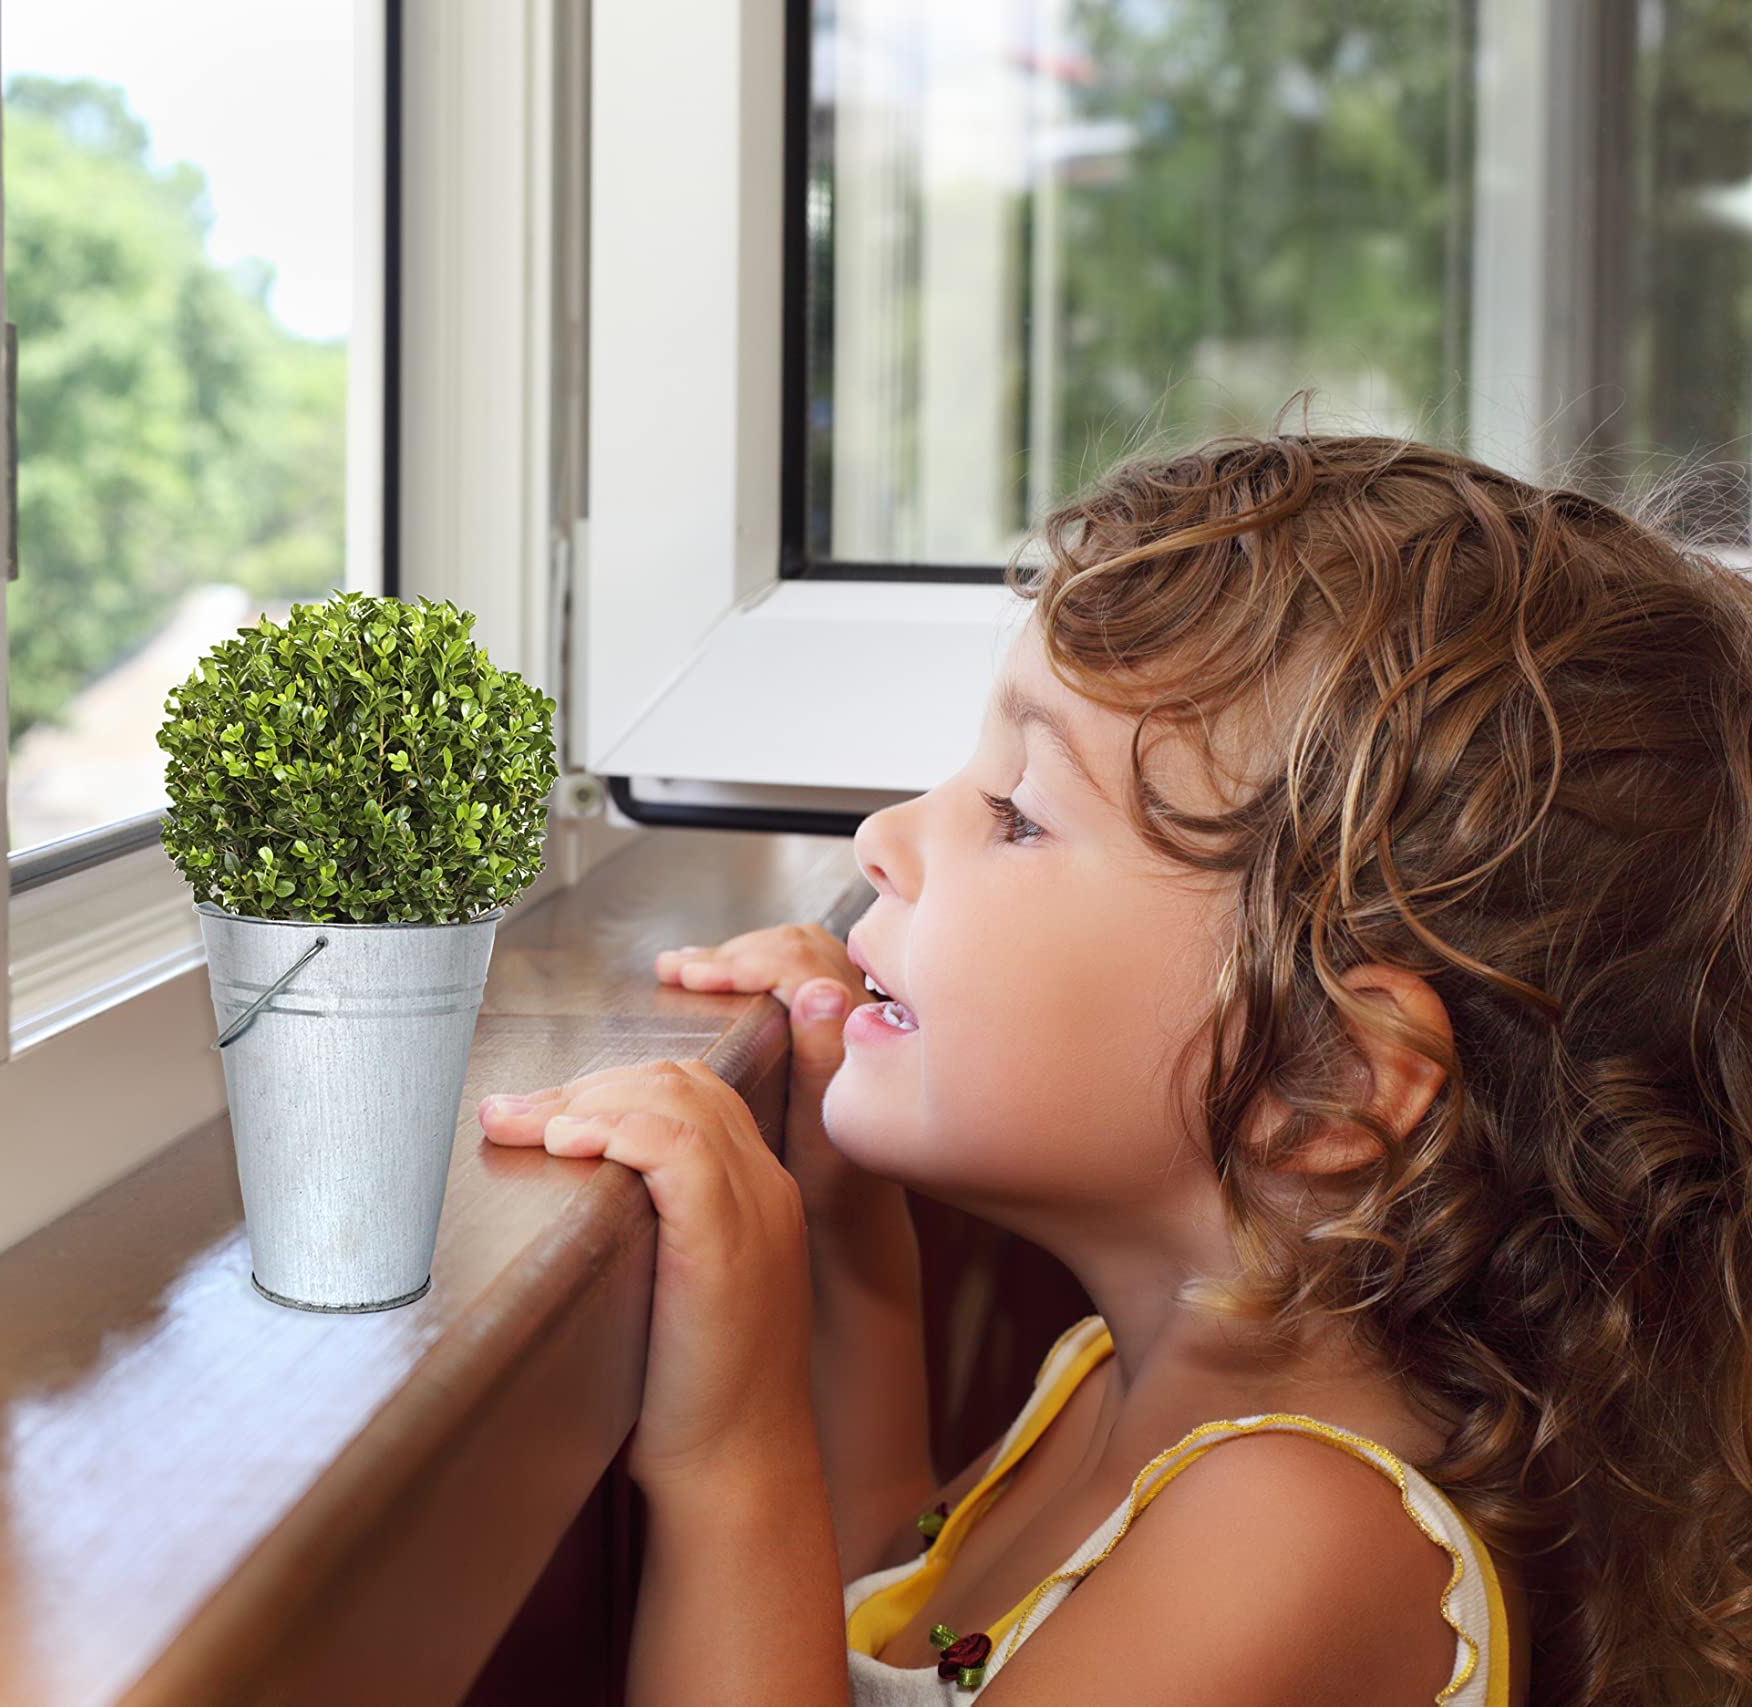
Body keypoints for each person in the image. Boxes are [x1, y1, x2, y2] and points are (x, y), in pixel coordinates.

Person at [478, 431, 1752, 1707]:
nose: (880, 838)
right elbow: (882, 1598)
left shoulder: (1294, 1539)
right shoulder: (1112, 1387)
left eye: (1017, 813)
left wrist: (723, 1457)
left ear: (1320, 1083)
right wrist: (838, 1214)